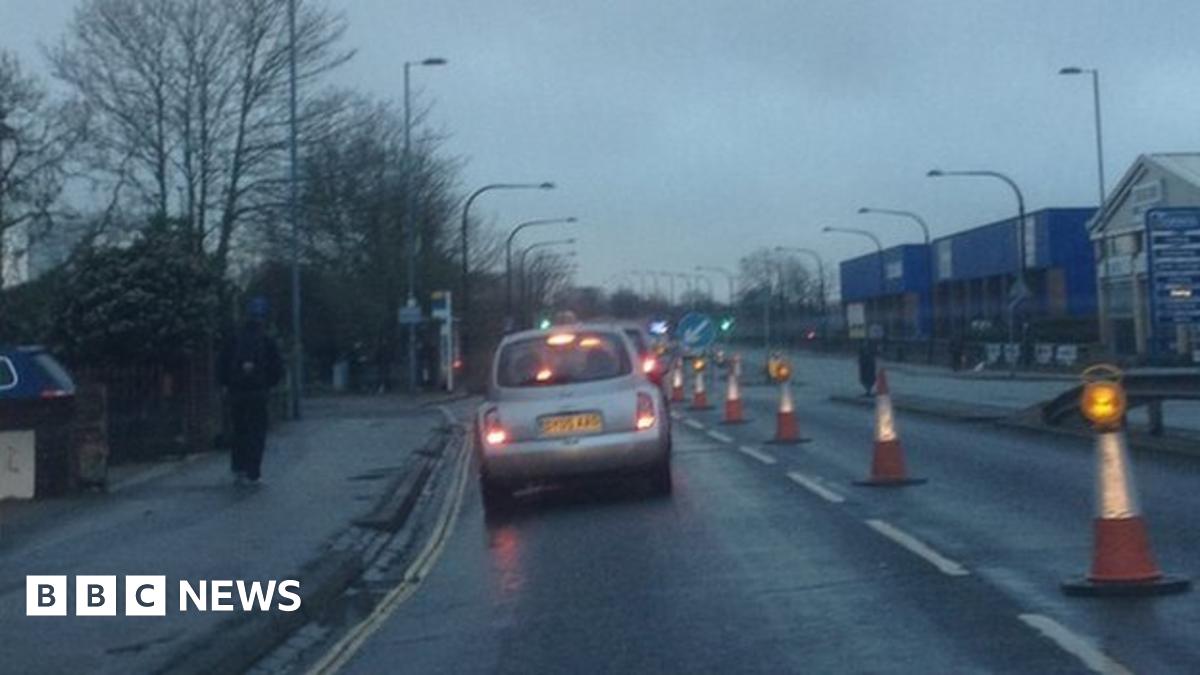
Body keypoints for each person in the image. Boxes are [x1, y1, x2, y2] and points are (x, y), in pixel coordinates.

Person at [218, 297, 284, 486]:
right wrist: (268, 384)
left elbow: (221, 363)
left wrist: (225, 384)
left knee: (239, 429)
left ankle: (238, 468)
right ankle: (253, 472)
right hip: (258, 393)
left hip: (237, 392)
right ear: (263, 317)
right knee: (257, 431)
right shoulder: (267, 340)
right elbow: (277, 368)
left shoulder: (234, 338)